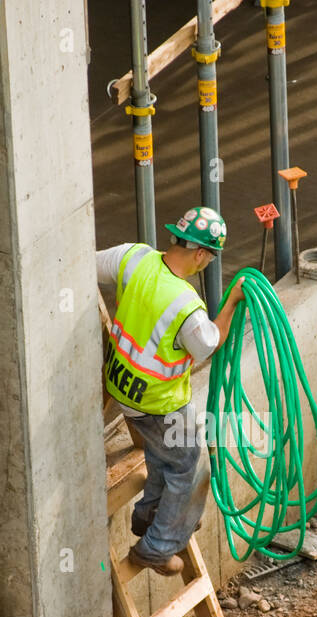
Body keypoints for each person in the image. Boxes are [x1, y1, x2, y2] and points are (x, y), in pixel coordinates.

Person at [97, 206, 244, 575]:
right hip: (158, 403)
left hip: (121, 390)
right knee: (188, 465)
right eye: (210, 257)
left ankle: (149, 518)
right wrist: (234, 300)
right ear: (200, 254)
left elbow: (87, 267)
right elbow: (209, 344)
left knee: (163, 457)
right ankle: (156, 548)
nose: (207, 263)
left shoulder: (134, 257)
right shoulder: (187, 306)